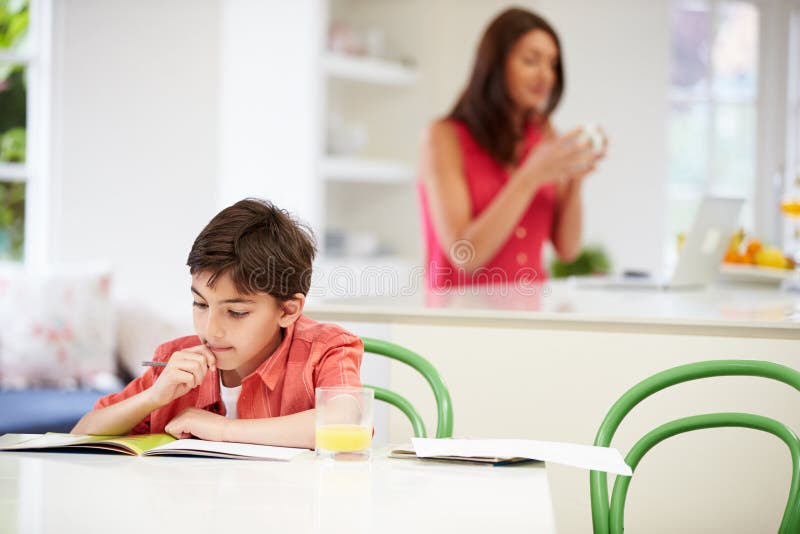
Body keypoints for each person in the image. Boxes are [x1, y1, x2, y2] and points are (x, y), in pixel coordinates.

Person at [72, 198, 362, 449]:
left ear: (287, 310)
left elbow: (346, 423)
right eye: (200, 305)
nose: (210, 330)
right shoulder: (174, 361)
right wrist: (152, 398)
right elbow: (81, 432)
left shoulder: (326, 349)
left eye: (236, 312)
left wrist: (223, 430)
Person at [419, 7, 607, 290]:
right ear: (495, 64)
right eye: (531, 60)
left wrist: (576, 178)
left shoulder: (543, 133)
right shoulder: (444, 137)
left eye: (552, 63)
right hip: (459, 315)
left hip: (528, 314)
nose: (545, 75)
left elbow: (568, 250)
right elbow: (464, 255)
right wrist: (530, 176)